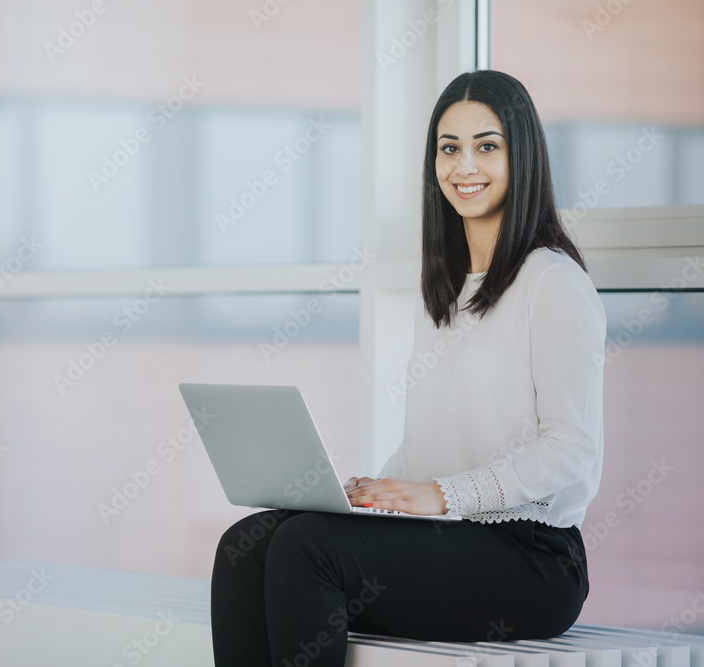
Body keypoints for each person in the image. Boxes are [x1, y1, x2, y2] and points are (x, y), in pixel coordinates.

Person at [210, 70, 607, 667]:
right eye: (449, 148)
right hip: (453, 537)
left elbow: (570, 449)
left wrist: (441, 496)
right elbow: (432, 445)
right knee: (248, 545)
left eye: (487, 146)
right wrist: (376, 492)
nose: (464, 165)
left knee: (306, 549)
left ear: (521, 155)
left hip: (533, 559)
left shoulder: (553, 282)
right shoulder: (445, 290)